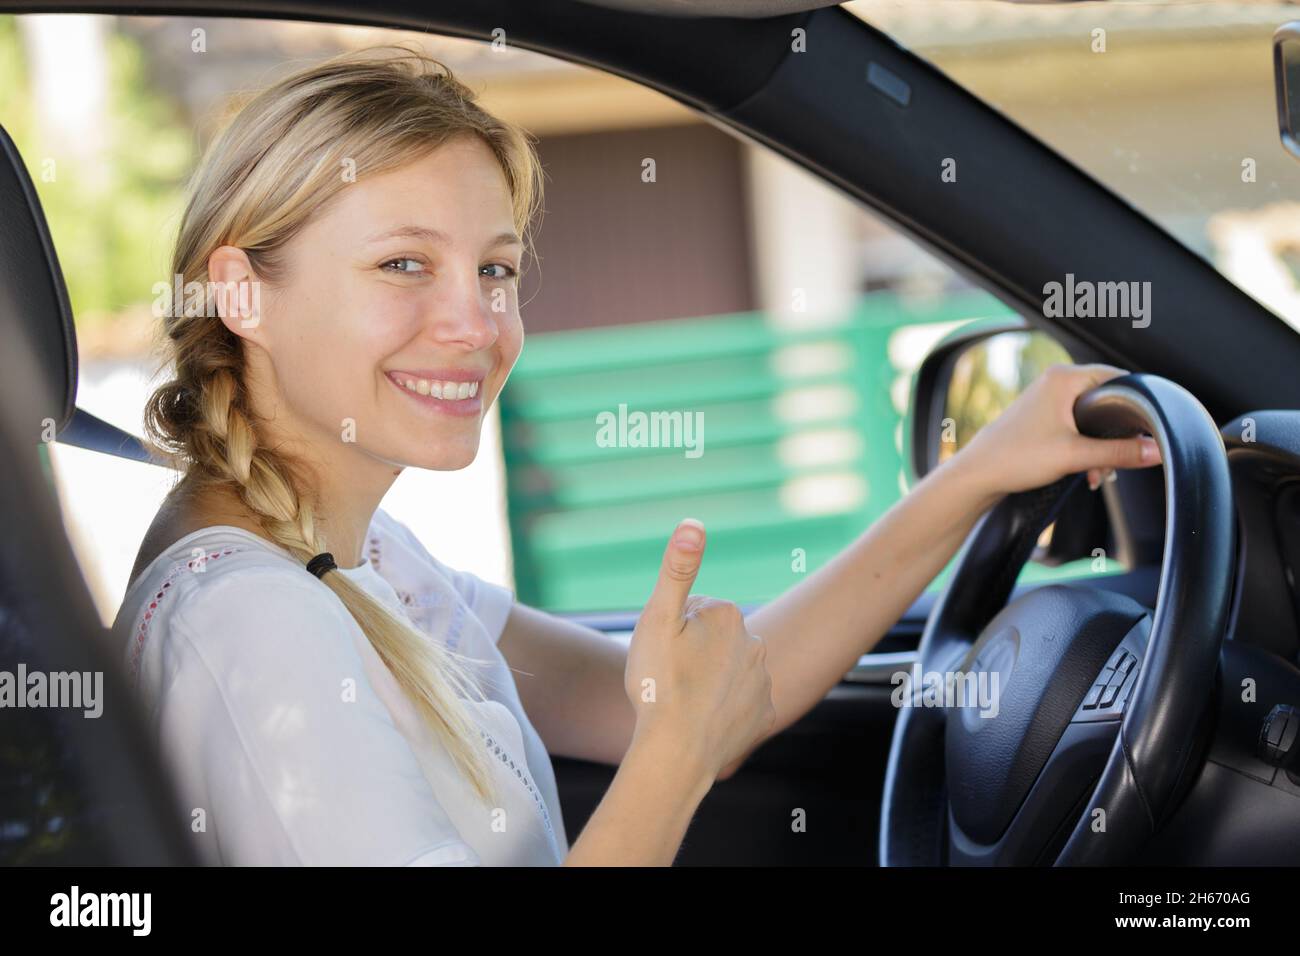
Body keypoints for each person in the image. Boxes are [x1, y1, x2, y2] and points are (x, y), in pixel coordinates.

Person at [112, 45, 1161, 866]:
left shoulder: (365, 559)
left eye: (495, 267)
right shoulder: (253, 624)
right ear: (242, 292)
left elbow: (690, 699)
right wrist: (675, 756)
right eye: (402, 264)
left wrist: (976, 473)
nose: (475, 323)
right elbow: (676, 732)